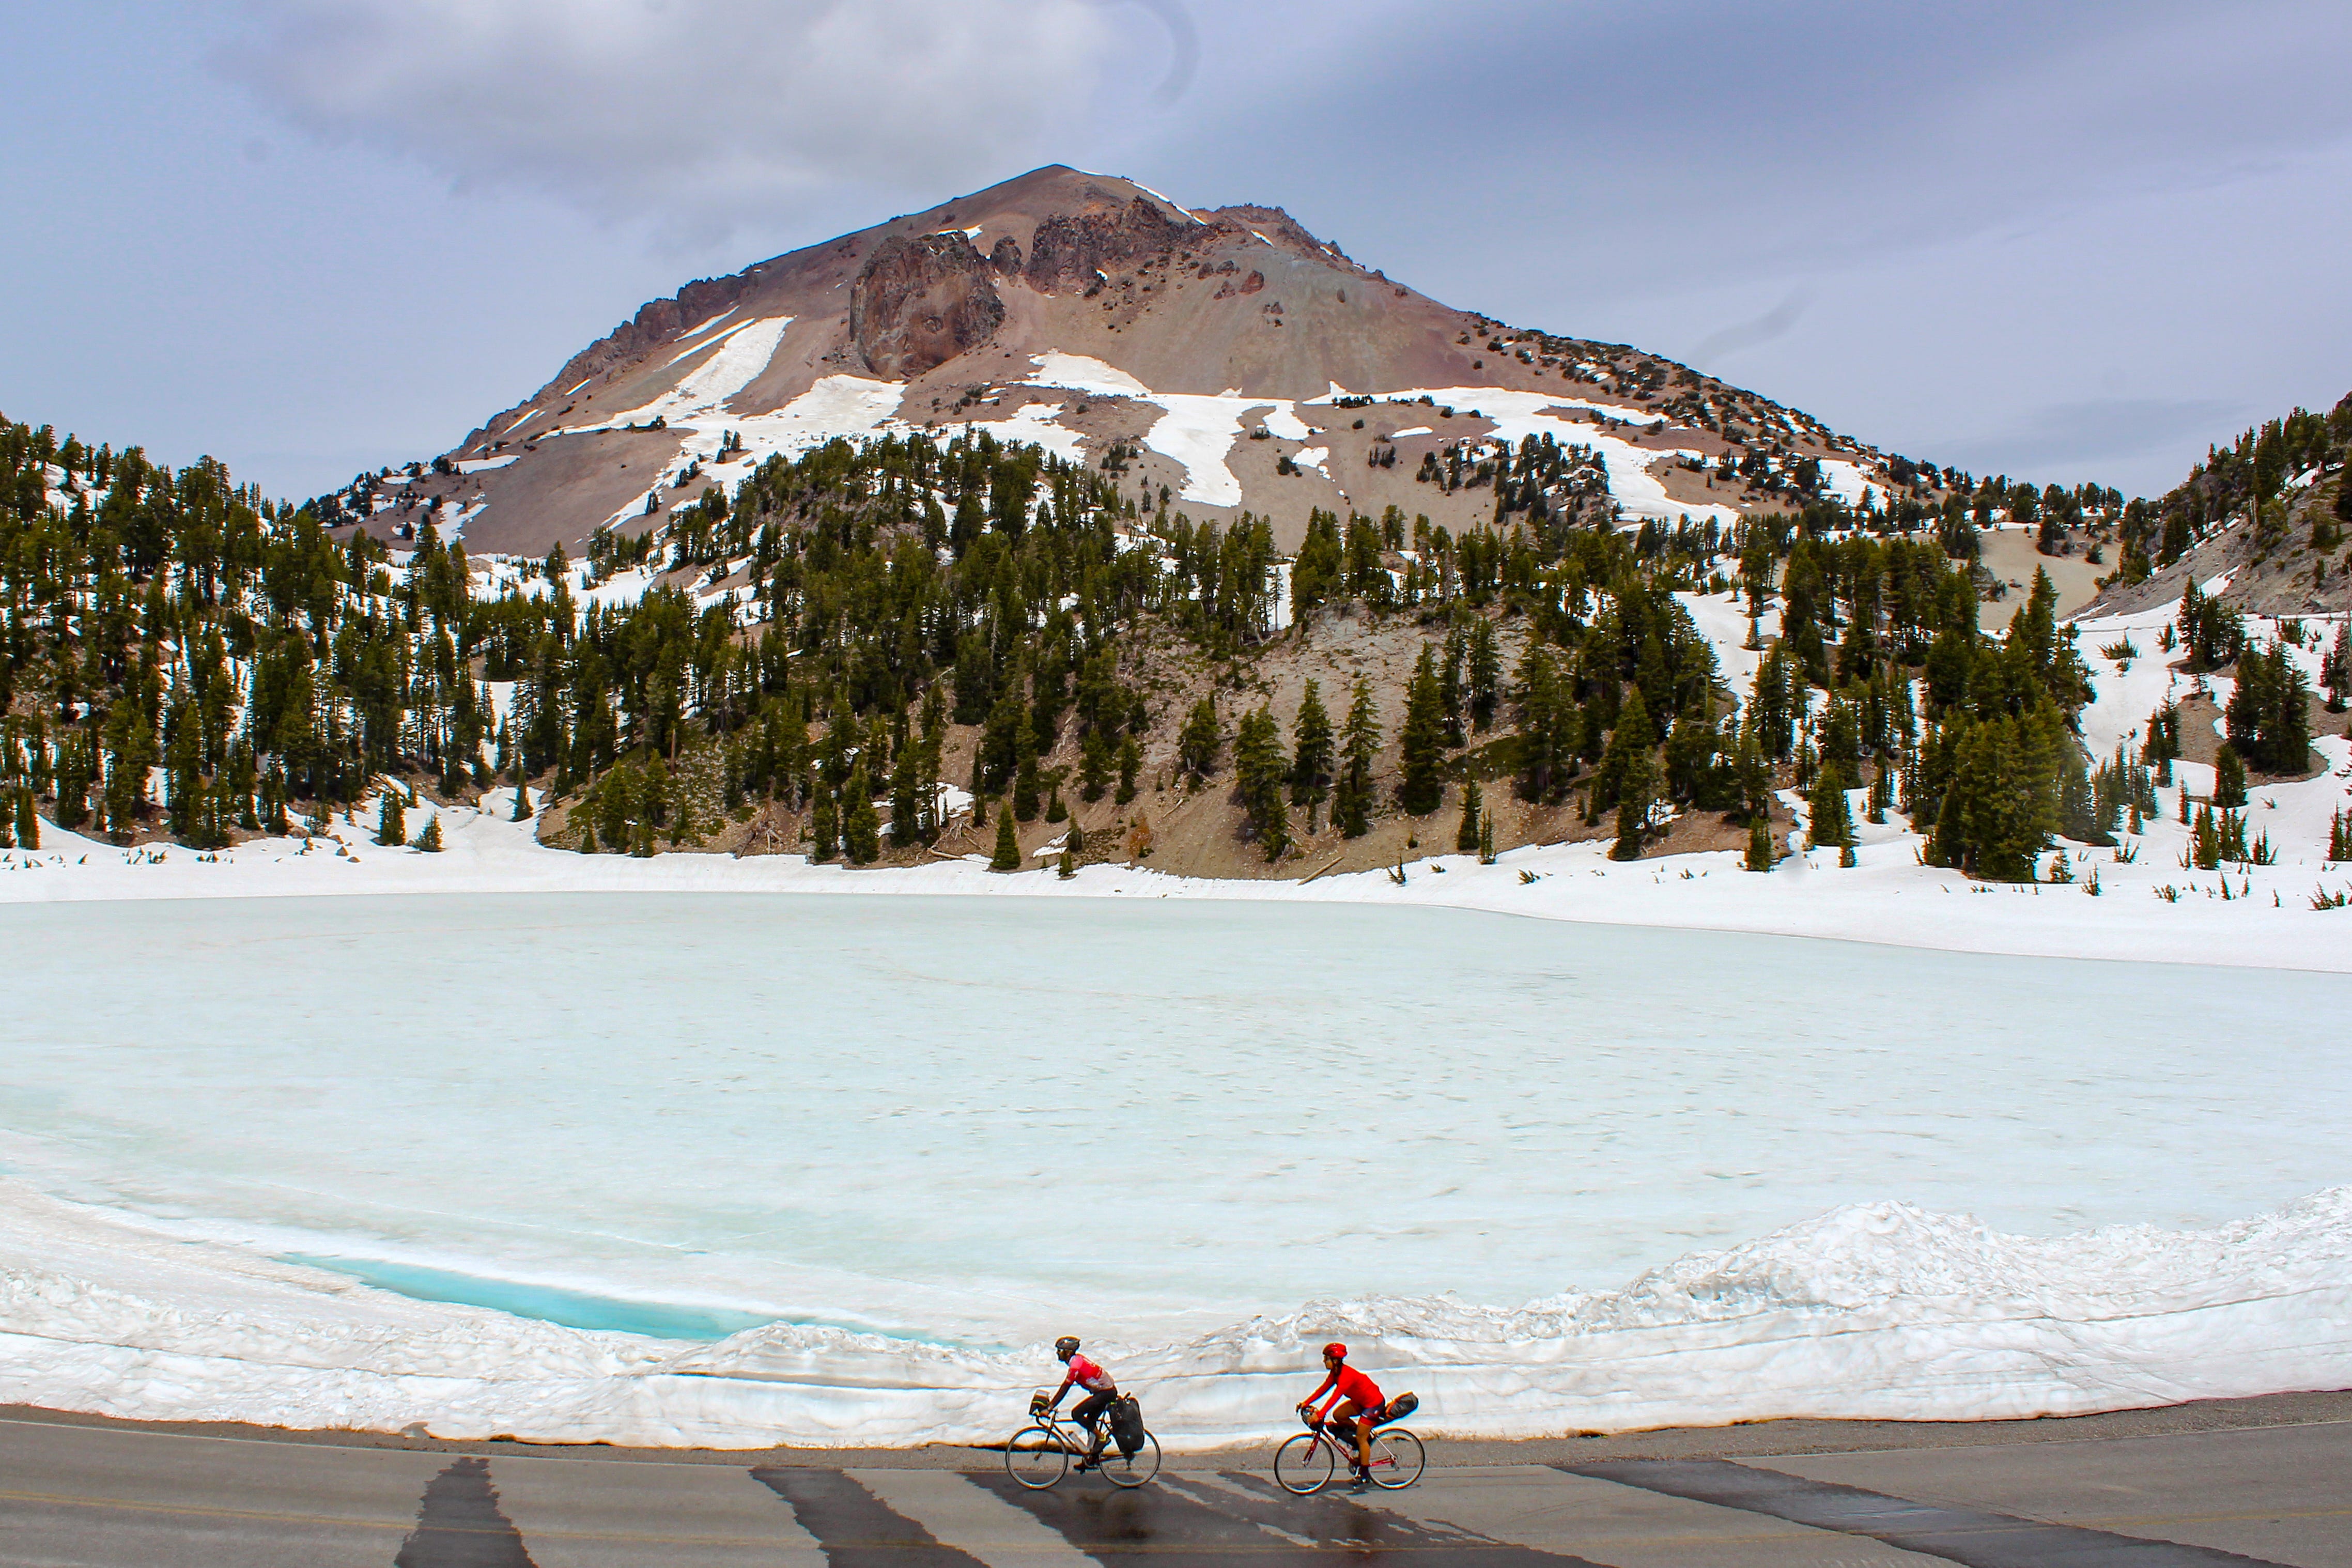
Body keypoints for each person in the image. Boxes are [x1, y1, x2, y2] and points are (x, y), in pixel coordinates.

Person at [1299, 1341, 1384, 1490]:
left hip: (1373, 1403)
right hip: (1360, 1402)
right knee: (1339, 1415)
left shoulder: (1346, 1375)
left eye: (1326, 1358)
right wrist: (1306, 1403)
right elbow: (1323, 1389)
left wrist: (1320, 1414)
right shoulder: (1335, 1373)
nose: (1324, 1361)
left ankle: (1365, 1475)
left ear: (1335, 1360)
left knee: (1361, 1438)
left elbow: (1335, 1397)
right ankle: (1360, 1437)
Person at [1043, 1335, 1119, 1470]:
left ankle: (1101, 1438)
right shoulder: (1077, 1360)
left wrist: (1050, 1407)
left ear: (1068, 1352)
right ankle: (1091, 1459)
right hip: (1104, 1392)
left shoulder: (1075, 1366)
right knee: (1091, 1421)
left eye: (1060, 1350)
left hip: (1106, 1393)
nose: (1057, 1353)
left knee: (1077, 1413)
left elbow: (1065, 1387)